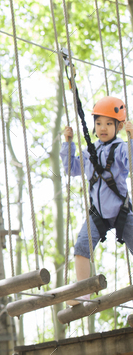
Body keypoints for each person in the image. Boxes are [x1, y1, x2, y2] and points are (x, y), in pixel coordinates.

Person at [61, 96, 133, 305]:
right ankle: (83, 292)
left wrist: (131, 139)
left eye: (109, 123)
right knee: (81, 248)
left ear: (118, 126)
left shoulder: (120, 149)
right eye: (99, 123)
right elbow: (71, 169)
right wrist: (68, 144)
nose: (103, 128)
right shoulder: (89, 153)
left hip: (122, 211)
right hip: (98, 215)